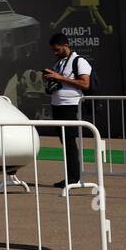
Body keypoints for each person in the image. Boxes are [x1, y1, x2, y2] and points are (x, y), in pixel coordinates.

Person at [43, 32, 91, 188]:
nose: (55, 53)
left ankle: (74, 179)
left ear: (66, 45)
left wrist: (60, 78)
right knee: (65, 142)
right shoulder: (59, 62)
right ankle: (70, 177)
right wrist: (50, 79)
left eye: (57, 49)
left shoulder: (79, 61)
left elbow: (85, 84)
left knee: (70, 142)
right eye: (53, 50)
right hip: (57, 105)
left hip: (71, 106)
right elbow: (60, 81)